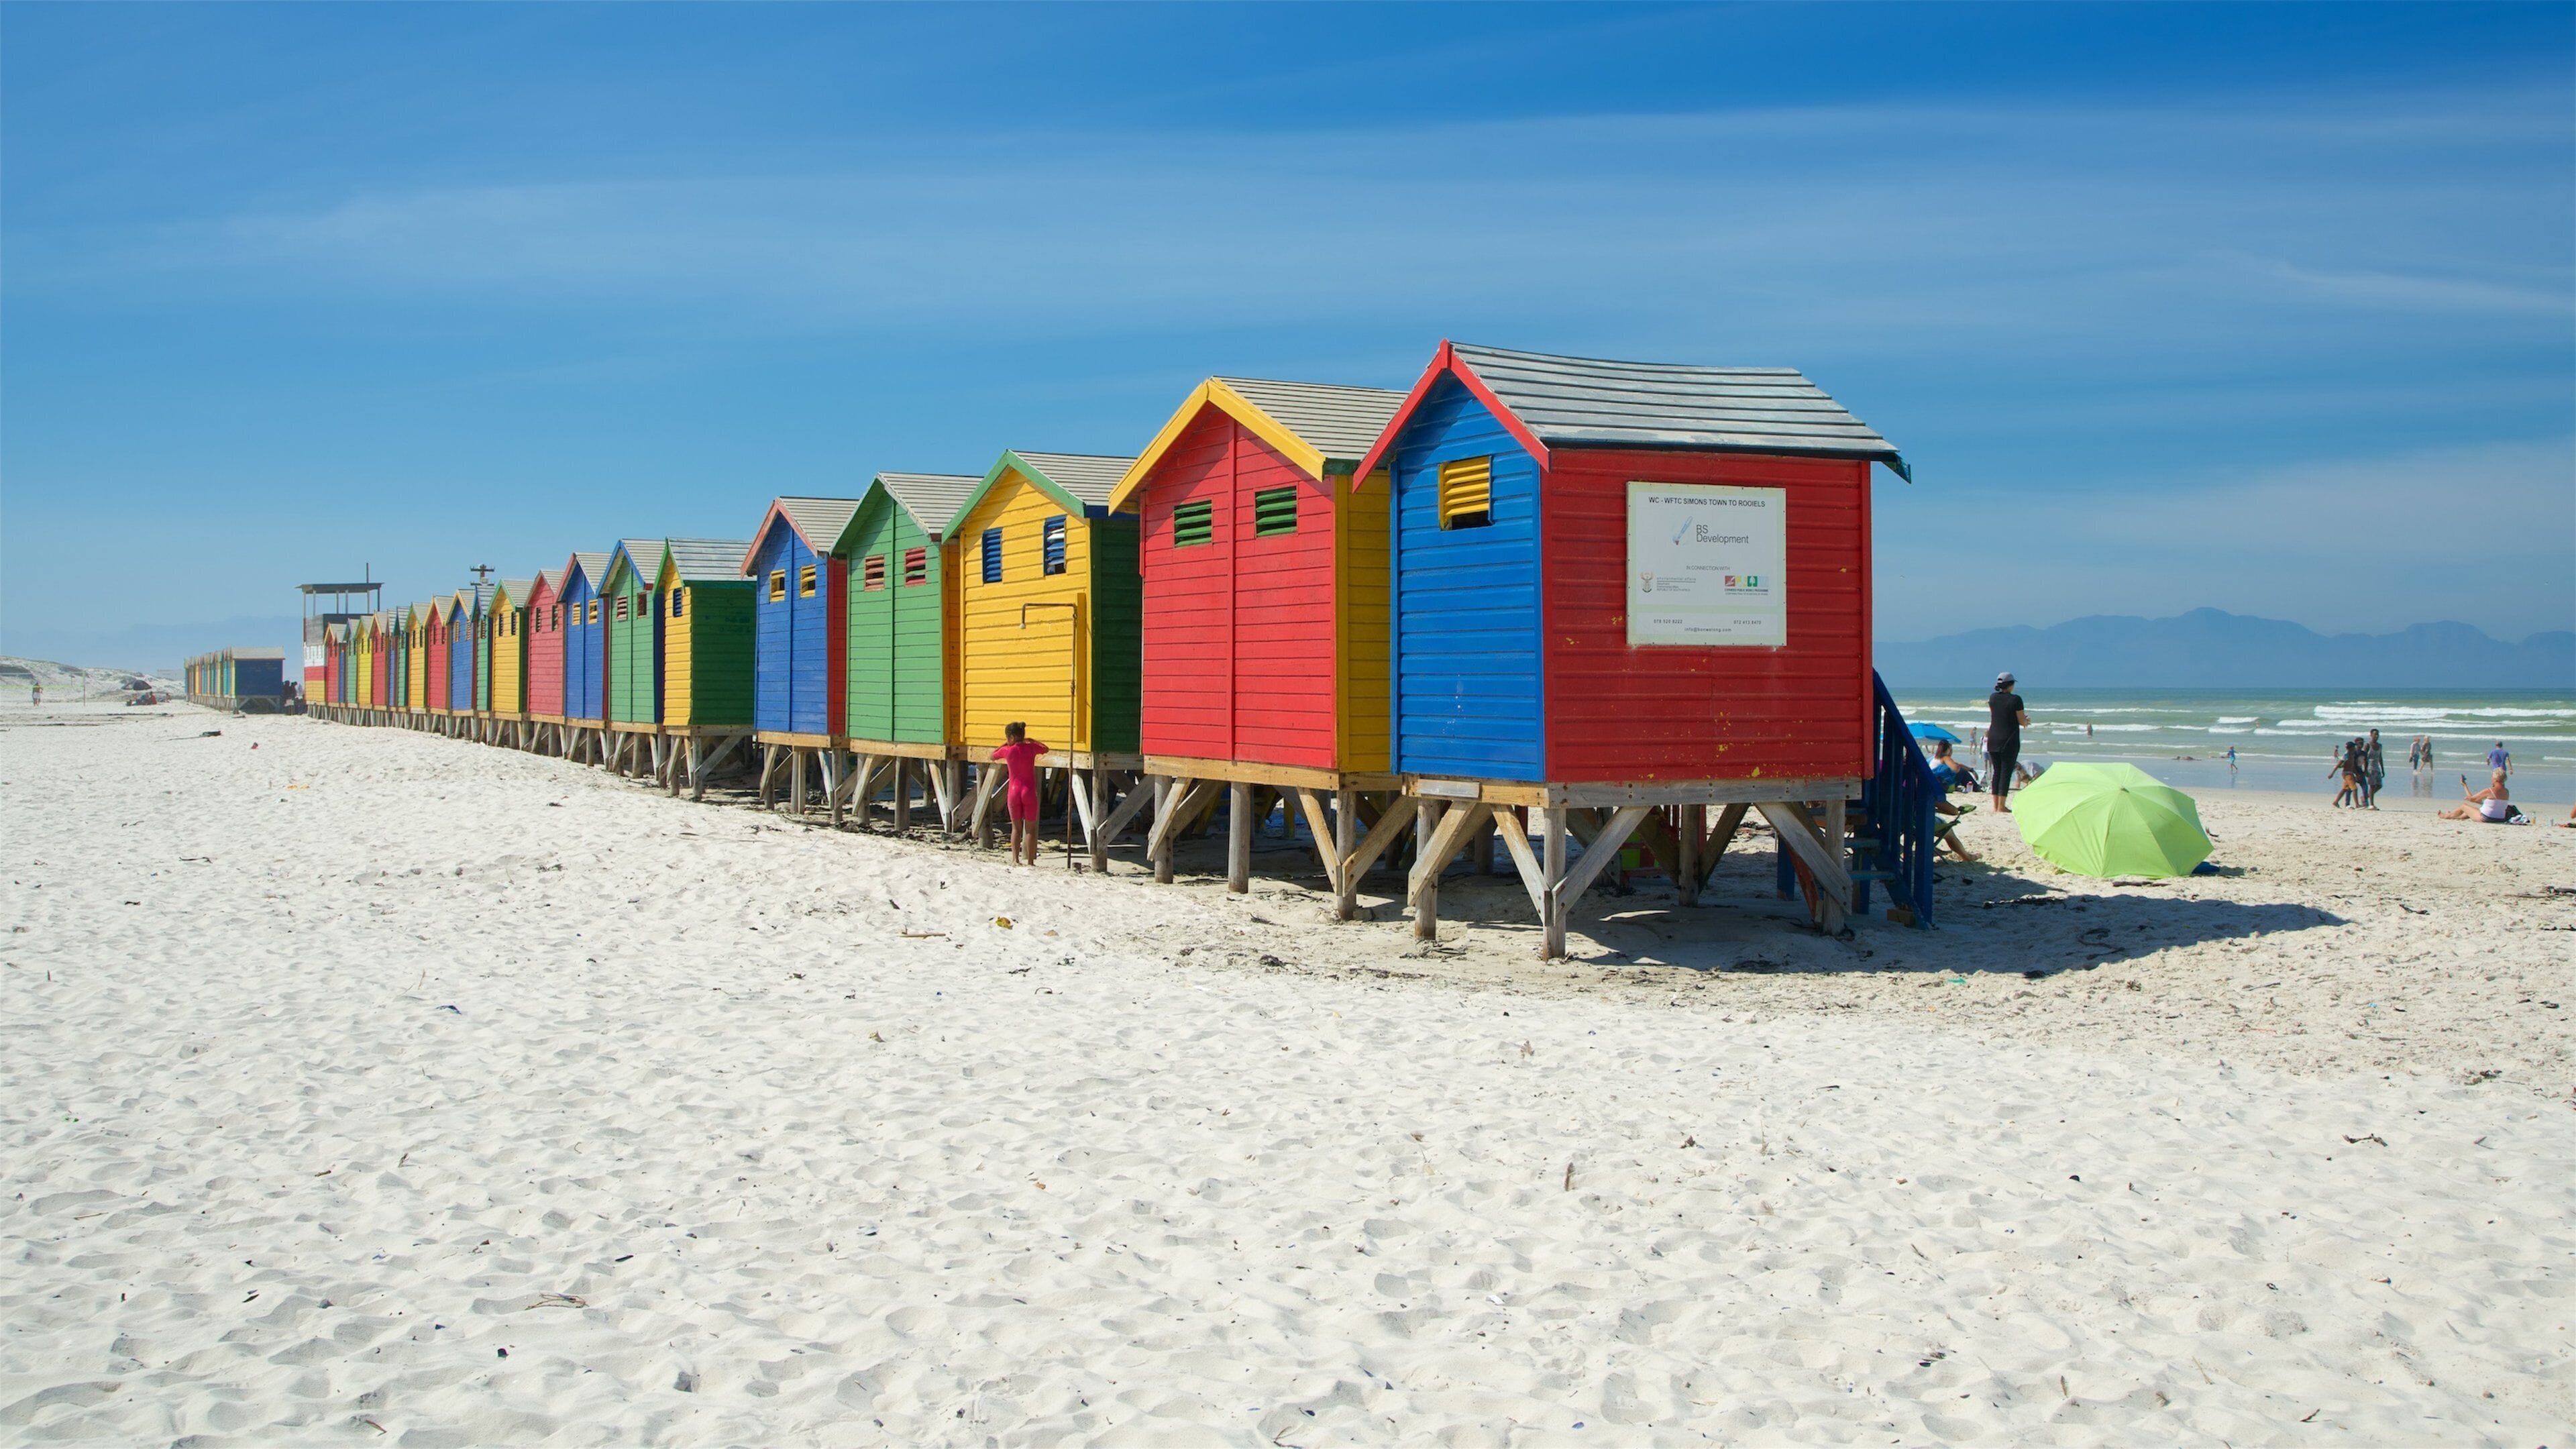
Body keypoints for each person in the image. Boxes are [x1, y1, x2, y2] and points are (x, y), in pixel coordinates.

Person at [991, 722, 1049, 866]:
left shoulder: (1007, 751)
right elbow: (1045, 749)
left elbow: (992, 756)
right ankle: (1030, 861)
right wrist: (1032, 740)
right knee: (1030, 829)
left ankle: (1015, 859)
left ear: (1011, 737)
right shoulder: (1031, 748)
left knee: (1016, 828)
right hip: (1029, 791)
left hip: (1014, 792)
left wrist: (1004, 744)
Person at [1923, 739, 1980, 861]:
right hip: (1921, 822)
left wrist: (1968, 769)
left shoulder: (1932, 760)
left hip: (1906, 821)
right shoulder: (1945, 759)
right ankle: (1967, 857)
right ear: (1948, 749)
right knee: (1948, 830)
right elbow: (1955, 768)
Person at [1986, 672, 2027, 814]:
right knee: (2005, 772)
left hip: (1993, 738)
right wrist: (2026, 721)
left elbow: (2001, 715)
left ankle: (1996, 805)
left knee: (1997, 773)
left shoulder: (1993, 698)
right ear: (2011, 685)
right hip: (2009, 739)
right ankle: (2001, 807)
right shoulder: (2016, 699)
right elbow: (2022, 721)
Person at [2438, 769, 2520, 823]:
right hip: (2500, 819)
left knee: (2464, 806)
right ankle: (2456, 816)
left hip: (2487, 818)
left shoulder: (2490, 790)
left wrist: (2464, 785)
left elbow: (2471, 799)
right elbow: (2493, 804)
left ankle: (2446, 816)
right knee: (2474, 810)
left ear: (2495, 779)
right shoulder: (2506, 791)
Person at [2365, 729, 2385, 800]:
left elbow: (2380, 758)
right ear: (2371, 735)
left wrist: (2382, 769)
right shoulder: (2368, 745)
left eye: (2377, 734)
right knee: (2372, 786)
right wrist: (2365, 770)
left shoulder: (2380, 746)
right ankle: (2371, 804)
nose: (2376, 736)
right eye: (2375, 734)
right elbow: (2364, 758)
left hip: (2377, 767)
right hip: (2370, 767)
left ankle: (2366, 797)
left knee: (2379, 785)